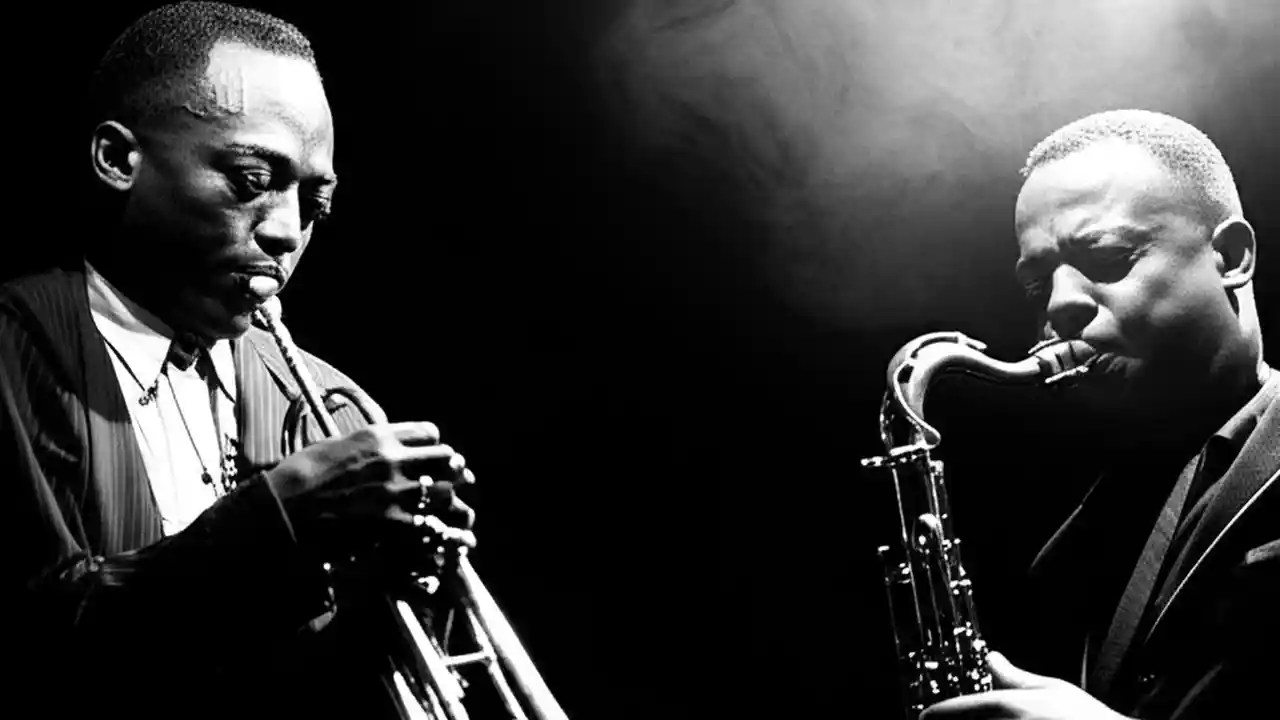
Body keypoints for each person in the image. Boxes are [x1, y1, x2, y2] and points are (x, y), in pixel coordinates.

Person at [2, 3, 476, 717]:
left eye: (315, 204)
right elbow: (39, 644)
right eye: (252, 180)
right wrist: (277, 523)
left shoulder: (333, 404)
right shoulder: (15, 341)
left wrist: (406, 597)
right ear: (118, 160)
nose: (287, 232)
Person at [921, 109, 1276, 719]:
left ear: (1231, 256)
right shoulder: (1073, 546)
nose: (1059, 306)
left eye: (1108, 258)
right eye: (1037, 286)